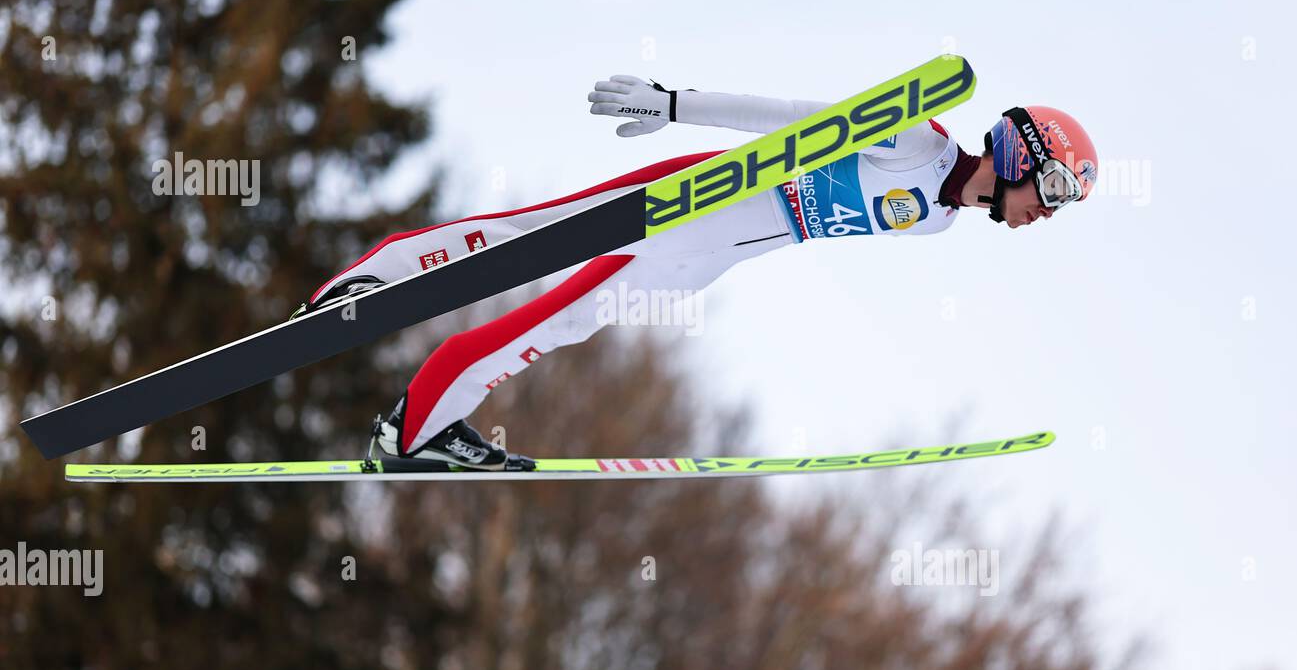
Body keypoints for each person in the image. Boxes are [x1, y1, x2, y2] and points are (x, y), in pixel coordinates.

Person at [297, 76, 1098, 470]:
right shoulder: (918, 141)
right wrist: (676, 102)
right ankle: (369, 282)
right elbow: (793, 120)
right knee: (530, 235)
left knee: (563, 321)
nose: (1048, 213)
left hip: (722, 251)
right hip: (706, 194)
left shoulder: (939, 216)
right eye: (1054, 190)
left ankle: (417, 428)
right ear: (1022, 154)